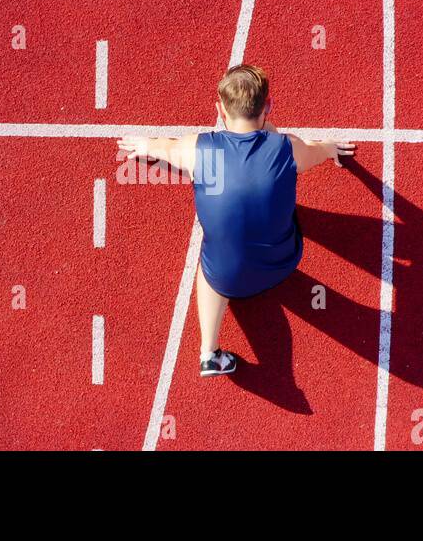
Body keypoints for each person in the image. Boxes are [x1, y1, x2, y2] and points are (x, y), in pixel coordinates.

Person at [117, 64, 356, 376]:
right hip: (281, 263)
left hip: (224, 276)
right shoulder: (287, 147)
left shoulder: (197, 148)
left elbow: (163, 148)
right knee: (261, 168)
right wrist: (330, 148)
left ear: (220, 109)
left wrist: (146, 146)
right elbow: (317, 151)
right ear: (268, 107)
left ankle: (209, 353)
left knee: (211, 237)